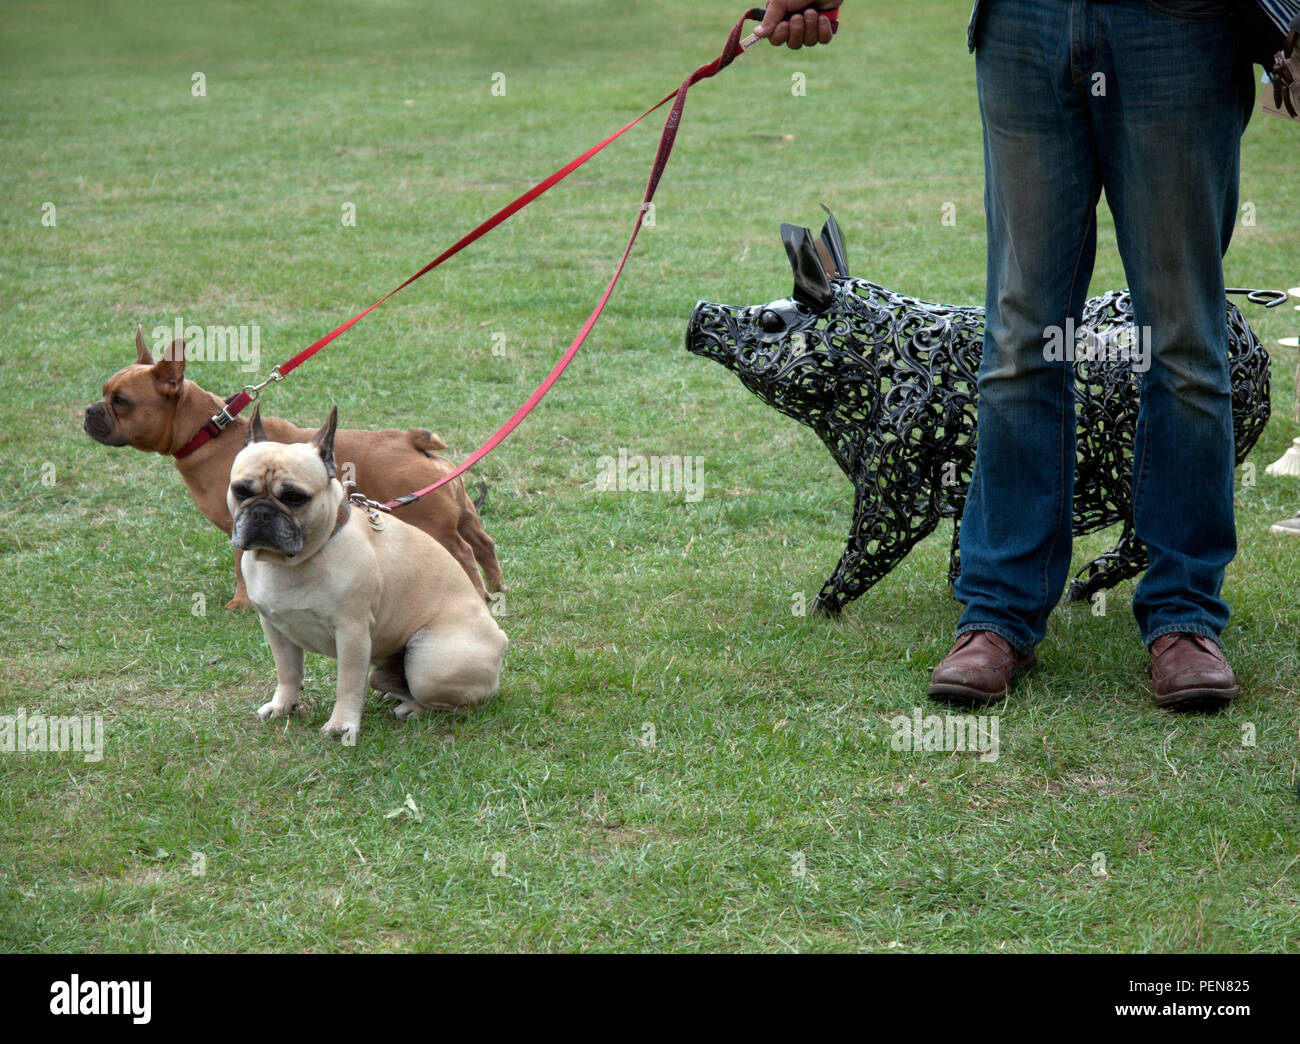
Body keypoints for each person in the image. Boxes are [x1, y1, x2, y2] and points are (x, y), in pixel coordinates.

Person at [754, 0, 1297, 710]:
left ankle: (1185, 615)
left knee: (1185, 341)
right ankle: (999, 613)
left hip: (1181, 24)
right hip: (1025, 22)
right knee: (1020, 341)